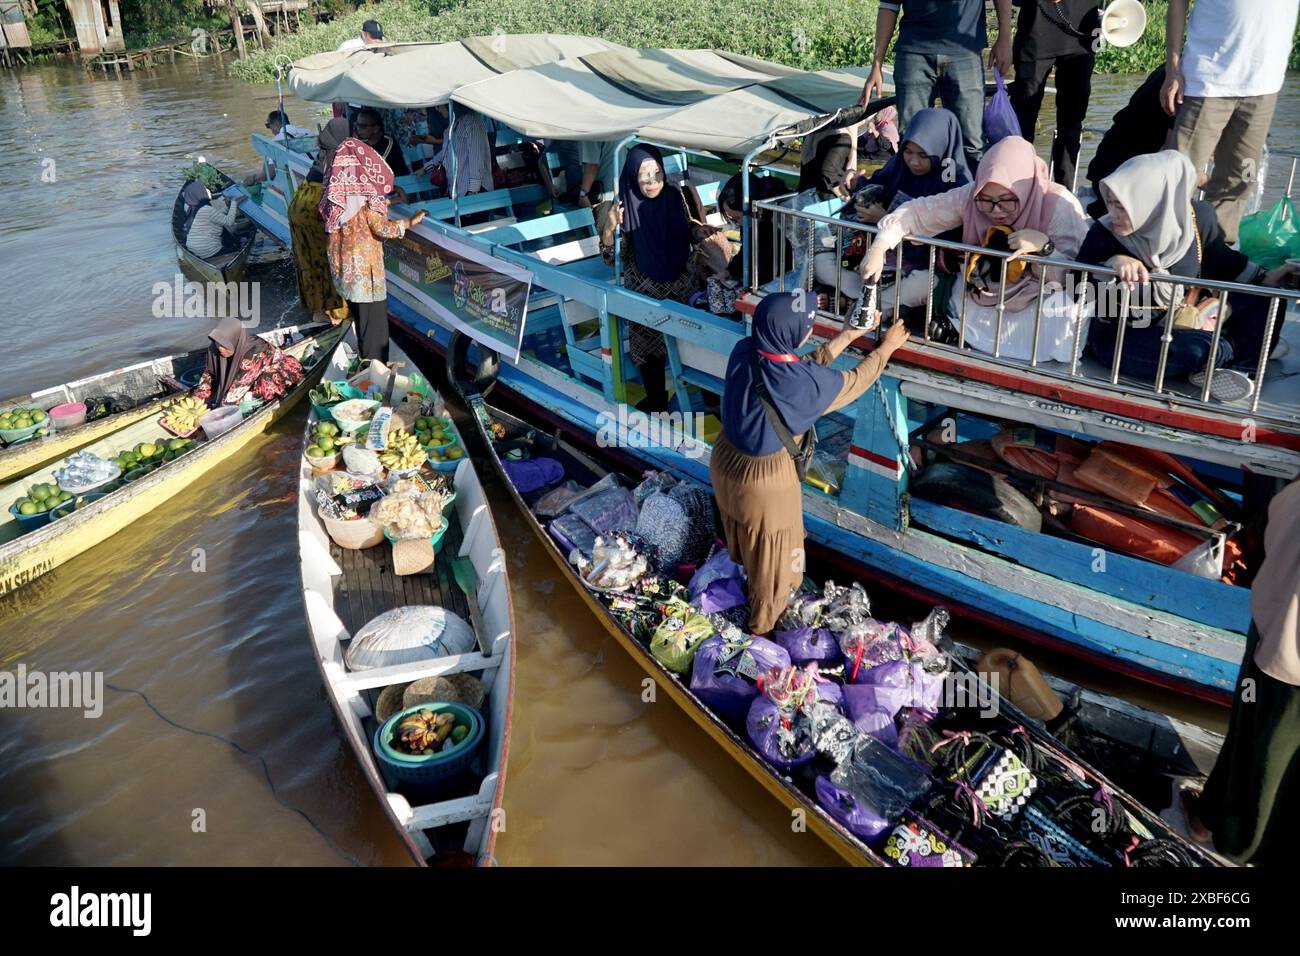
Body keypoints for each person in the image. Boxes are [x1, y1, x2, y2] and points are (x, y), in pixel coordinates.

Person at [712, 293, 910, 633]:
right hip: (763, 482)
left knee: (751, 542)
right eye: (807, 326)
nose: (809, 331)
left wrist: (847, 336)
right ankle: (760, 634)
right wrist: (886, 349)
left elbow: (799, 368)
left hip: (724, 461)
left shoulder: (745, 349)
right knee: (778, 560)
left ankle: (745, 583)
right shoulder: (804, 385)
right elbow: (856, 381)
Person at [1079, 151, 1298, 402]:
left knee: (1269, 298)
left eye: (1121, 206)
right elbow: (1075, 289)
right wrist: (1108, 265)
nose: (1113, 214)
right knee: (1201, 348)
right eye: (1110, 203)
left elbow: (1224, 263)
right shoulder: (1105, 233)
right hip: (1124, 337)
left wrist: (1270, 277)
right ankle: (1232, 354)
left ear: (1155, 201)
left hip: (1181, 317)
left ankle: (1240, 369)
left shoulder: (1195, 219)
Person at [860, 135, 1090, 362]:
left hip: (1039, 293)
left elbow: (1078, 277)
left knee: (1065, 311)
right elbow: (917, 213)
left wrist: (1043, 248)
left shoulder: (1059, 204)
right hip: (986, 287)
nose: (996, 210)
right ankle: (961, 330)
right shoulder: (970, 196)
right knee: (957, 288)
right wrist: (879, 248)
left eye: (1007, 199)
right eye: (986, 200)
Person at [1181, 477, 1300, 864]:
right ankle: (1224, 828)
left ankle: (1222, 827)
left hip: (1276, 636)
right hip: (1281, 643)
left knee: (1257, 739)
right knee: (1267, 747)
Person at [1162, 0, 1300, 243]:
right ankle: (1160, 253)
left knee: (1241, 178)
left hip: (1264, 84)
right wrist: (1172, 71)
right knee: (1179, 174)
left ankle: (1216, 252)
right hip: (1208, 80)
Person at [815, 108, 972, 310]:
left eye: (923, 155)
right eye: (908, 151)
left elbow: (948, 244)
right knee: (821, 262)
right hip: (875, 255)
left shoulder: (958, 183)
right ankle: (869, 304)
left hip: (918, 266)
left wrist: (885, 219)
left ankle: (863, 304)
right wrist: (857, 184)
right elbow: (878, 186)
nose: (913, 161)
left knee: (926, 284)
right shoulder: (898, 165)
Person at [600, 144, 717, 412]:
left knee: (695, 340)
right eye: (644, 175)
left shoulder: (674, 194)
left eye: (657, 173)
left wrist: (697, 232)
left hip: (683, 282)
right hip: (646, 290)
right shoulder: (622, 208)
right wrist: (610, 226)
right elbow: (609, 259)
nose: (653, 182)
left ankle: (713, 402)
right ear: (632, 175)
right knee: (649, 349)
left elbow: (685, 226)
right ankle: (657, 404)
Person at [860, 0, 1015, 172]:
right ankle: (914, 197)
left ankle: (969, 196)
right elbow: (889, 6)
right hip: (914, 54)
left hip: (965, 52)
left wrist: (1005, 38)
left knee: (971, 143)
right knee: (912, 140)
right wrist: (877, 64)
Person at [320, 137, 427, 361]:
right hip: (364, 275)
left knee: (362, 321)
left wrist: (390, 202)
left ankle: (365, 362)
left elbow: (357, 209)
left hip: (344, 272)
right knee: (375, 329)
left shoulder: (335, 187)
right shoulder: (364, 193)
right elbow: (380, 226)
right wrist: (409, 222)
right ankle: (373, 369)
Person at [1008, 0, 1101, 190]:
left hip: (1083, 39)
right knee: (1022, 123)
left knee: (1072, 124)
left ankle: (1063, 195)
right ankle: (1017, 191)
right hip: (1034, 37)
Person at [1084, 65, 1174, 219]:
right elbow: (1175, 156)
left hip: (1105, 169)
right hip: (1117, 182)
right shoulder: (1179, 83)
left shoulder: (1167, 70)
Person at [288, 117, 350, 327]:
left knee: (308, 258)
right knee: (327, 259)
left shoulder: (326, 148)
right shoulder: (338, 152)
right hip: (314, 206)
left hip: (300, 203)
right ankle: (333, 314)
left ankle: (317, 311)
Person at [193, 317, 305, 409]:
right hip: (243, 378)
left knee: (264, 385)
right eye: (218, 343)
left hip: (276, 372)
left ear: (235, 339)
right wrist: (199, 396)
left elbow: (239, 387)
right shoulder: (214, 348)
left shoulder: (256, 351)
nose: (220, 348)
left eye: (224, 344)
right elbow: (209, 374)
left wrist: (218, 410)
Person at [716, 173, 793, 288]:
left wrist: (747, 285)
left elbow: (769, 269)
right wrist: (730, 271)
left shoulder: (776, 228)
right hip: (760, 282)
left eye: (737, 218)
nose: (737, 223)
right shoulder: (750, 222)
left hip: (777, 285)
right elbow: (746, 252)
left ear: (757, 209)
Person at [428, 107, 494, 215]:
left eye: (440, 106)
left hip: (473, 191)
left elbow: (476, 156)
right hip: (458, 190)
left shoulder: (472, 122)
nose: (437, 109)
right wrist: (427, 167)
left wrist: (473, 192)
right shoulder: (453, 125)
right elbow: (445, 152)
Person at [798, 121, 860, 200]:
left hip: (806, 191)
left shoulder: (815, 133)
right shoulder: (843, 138)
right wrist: (843, 196)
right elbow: (827, 171)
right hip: (823, 198)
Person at [187, 192, 246, 259]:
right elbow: (229, 222)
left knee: (227, 242)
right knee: (235, 251)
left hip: (192, 247)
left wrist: (227, 206)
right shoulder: (207, 209)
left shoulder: (200, 211)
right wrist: (234, 203)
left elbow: (217, 215)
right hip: (208, 249)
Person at [354, 108, 410, 178]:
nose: (358, 128)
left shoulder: (389, 143)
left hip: (398, 184)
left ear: (376, 129)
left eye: (363, 126)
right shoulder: (360, 145)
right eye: (357, 124)